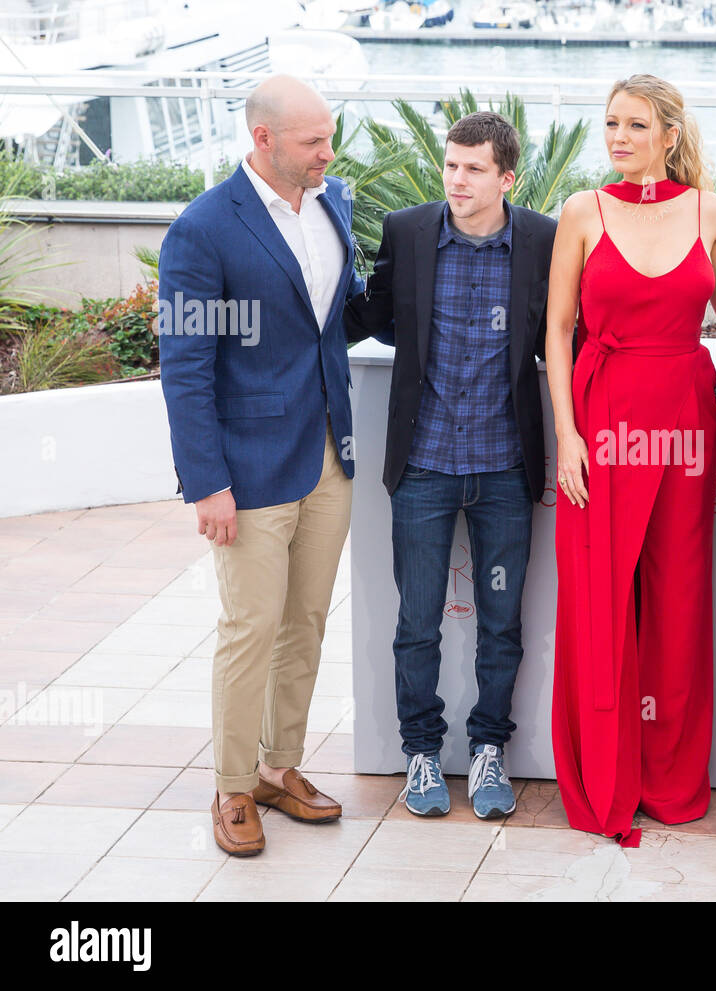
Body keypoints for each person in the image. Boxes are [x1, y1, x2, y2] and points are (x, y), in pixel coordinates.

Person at [158, 75, 364, 857]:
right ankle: (232, 786)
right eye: (314, 141)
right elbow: (184, 365)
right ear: (265, 140)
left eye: (330, 137)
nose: (328, 152)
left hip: (328, 456)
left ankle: (281, 768)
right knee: (250, 626)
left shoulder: (333, 200)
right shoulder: (204, 230)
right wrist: (206, 481)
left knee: (305, 623)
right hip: (245, 468)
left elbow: (342, 312)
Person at [344, 111, 557, 820]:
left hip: (504, 466)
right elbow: (374, 314)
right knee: (419, 619)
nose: (457, 180)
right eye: (450, 165)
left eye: (473, 169)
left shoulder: (543, 240)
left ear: (507, 178)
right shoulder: (407, 233)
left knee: (501, 621)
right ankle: (422, 754)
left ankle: (490, 747)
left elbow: (566, 333)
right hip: (426, 463)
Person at [546, 74, 716, 847]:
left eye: (634, 125)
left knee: (680, 602)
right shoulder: (582, 211)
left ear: (669, 134)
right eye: (610, 124)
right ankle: (606, 778)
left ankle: (671, 780)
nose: (618, 137)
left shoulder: (709, 211)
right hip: (602, 420)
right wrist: (567, 435)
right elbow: (558, 331)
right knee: (599, 606)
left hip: (687, 427)